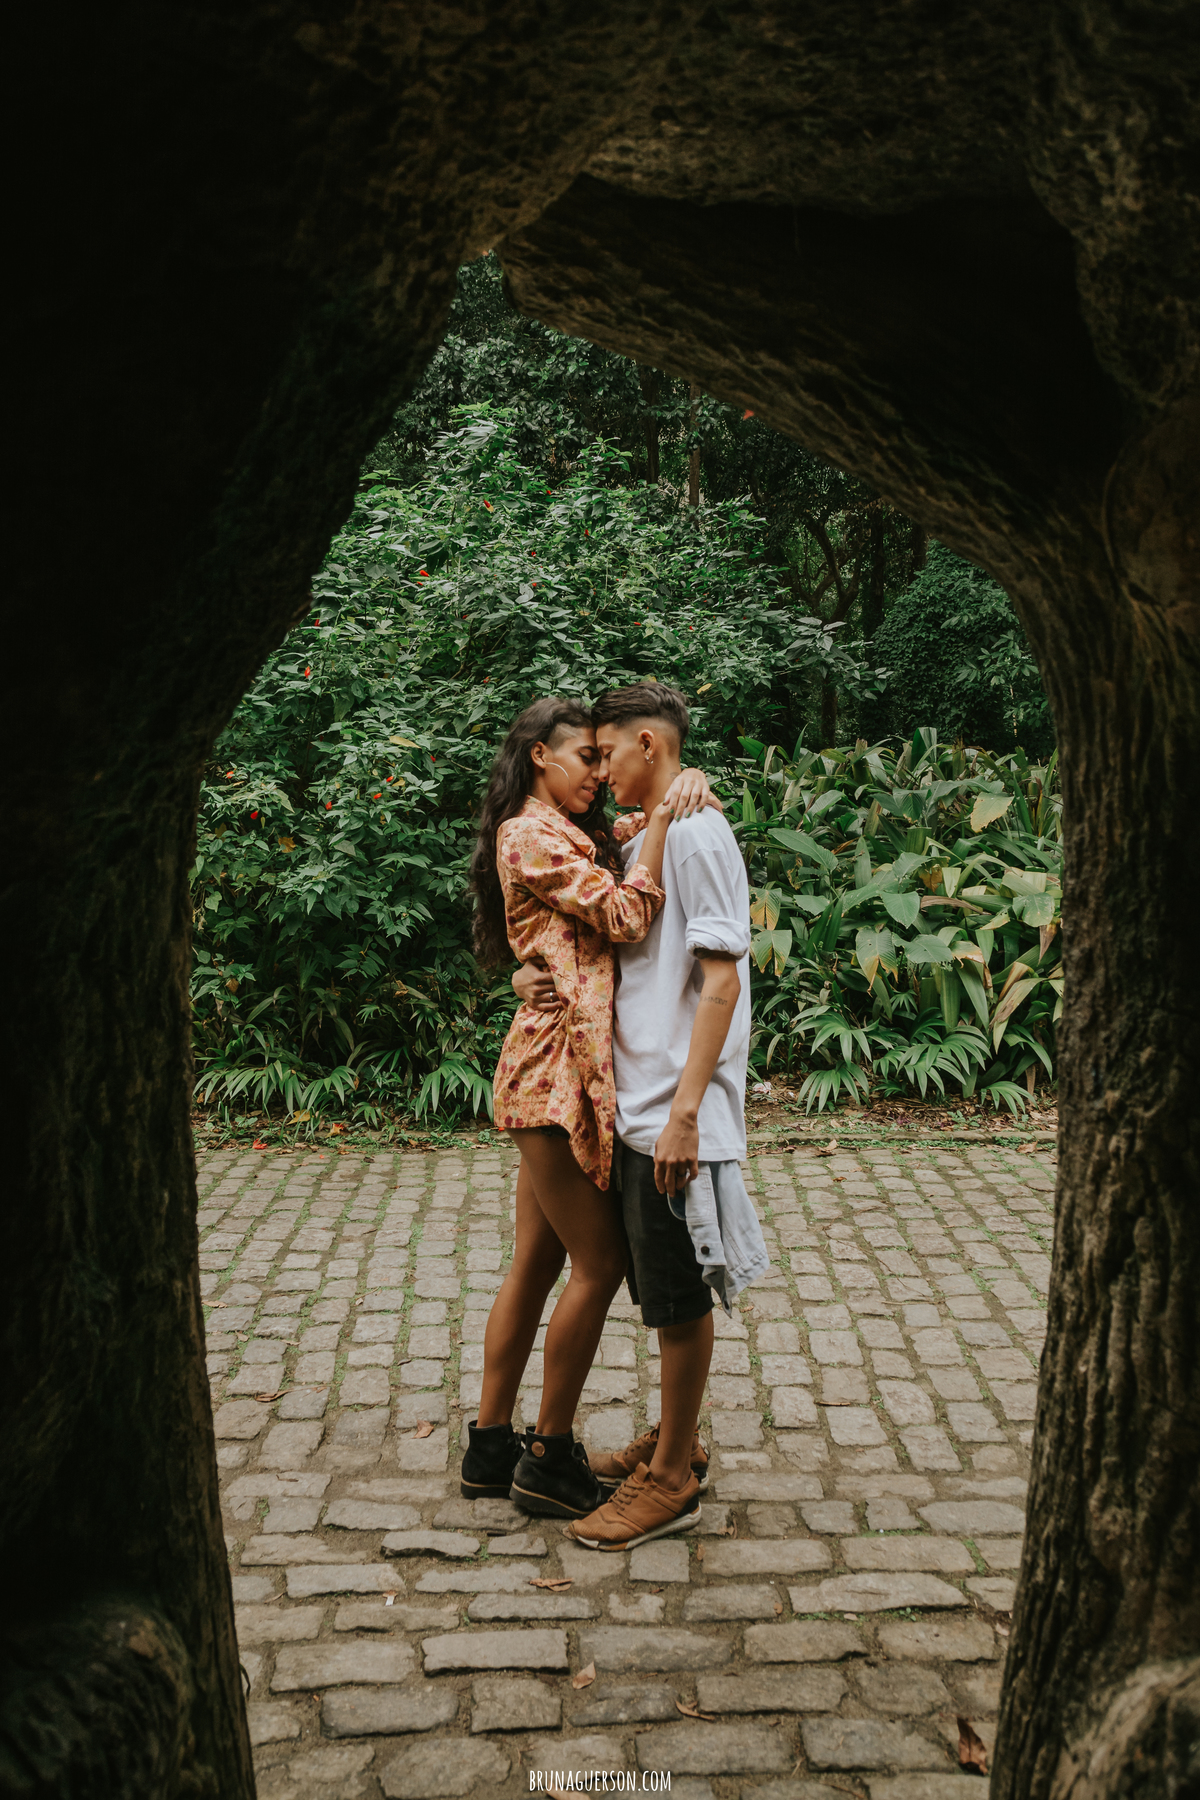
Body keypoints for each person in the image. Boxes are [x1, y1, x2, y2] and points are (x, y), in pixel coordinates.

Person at [519, 681, 766, 1549]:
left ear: (647, 747)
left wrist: (689, 1113)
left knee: (675, 1296)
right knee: (657, 1283)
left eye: (607, 750)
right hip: (639, 1101)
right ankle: (677, 1440)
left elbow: (722, 982)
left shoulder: (695, 834)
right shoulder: (656, 831)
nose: (601, 766)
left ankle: (671, 1479)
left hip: (671, 1108)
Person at [461, 696, 721, 1519]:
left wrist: (688, 784)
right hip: (552, 1076)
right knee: (600, 1264)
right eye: (584, 759)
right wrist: (660, 827)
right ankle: (547, 1455)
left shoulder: (571, 832)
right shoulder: (531, 832)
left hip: (559, 1070)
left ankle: (488, 1445)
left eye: (606, 761)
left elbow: (564, 931)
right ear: (540, 755)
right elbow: (622, 910)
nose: (599, 776)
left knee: (537, 1262)